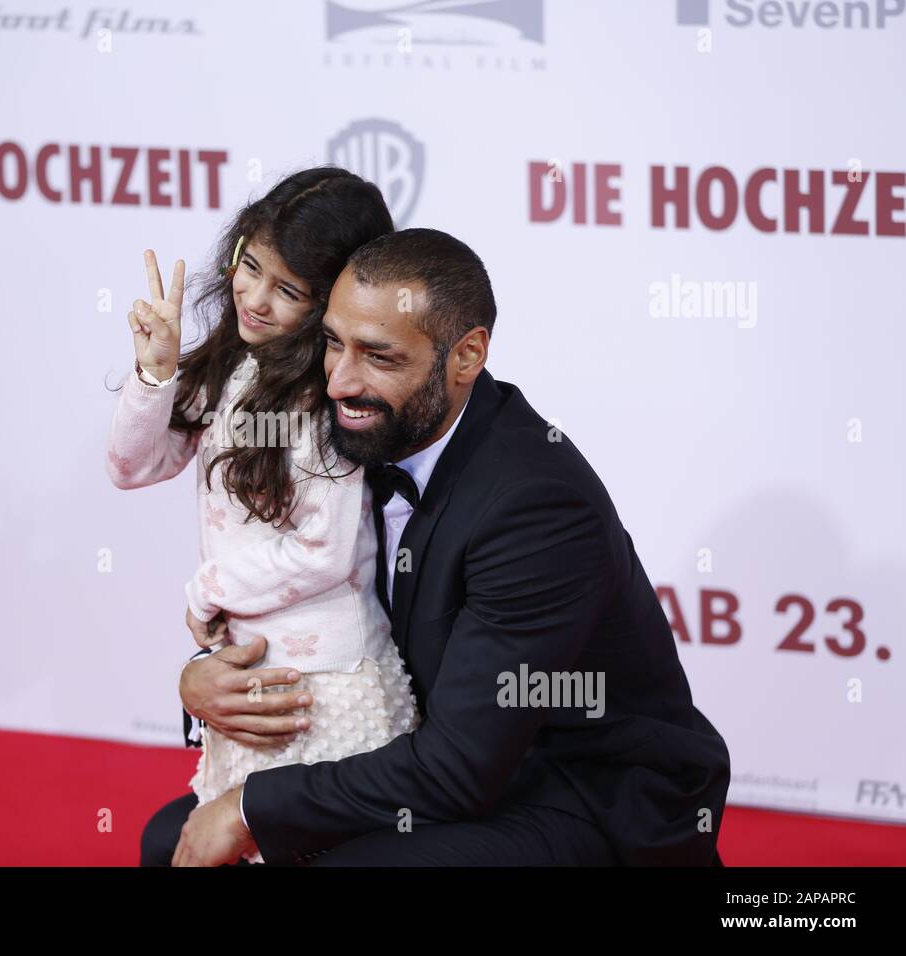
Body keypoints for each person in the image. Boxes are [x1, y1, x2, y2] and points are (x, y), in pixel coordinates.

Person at [159, 228, 731, 866]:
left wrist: (248, 809)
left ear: (466, 356)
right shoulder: (352, 438)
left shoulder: (537, 505)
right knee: (170, 841)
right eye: (331, 343)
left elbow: (461, 768)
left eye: (379, 356)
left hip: (579, 794)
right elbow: (290, 607)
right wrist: (202, 683)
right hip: (426, 753)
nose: (341, 381)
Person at [106, 168, 412, 864]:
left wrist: (206, 590)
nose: (257, 298)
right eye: (251, 267)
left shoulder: (324, 396)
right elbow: (131, 466)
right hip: (255, 681)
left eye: (289, 291)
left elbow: (325, 551)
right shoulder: (237, 363)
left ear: (334, 302)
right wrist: (154, 374)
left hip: (322, 694)